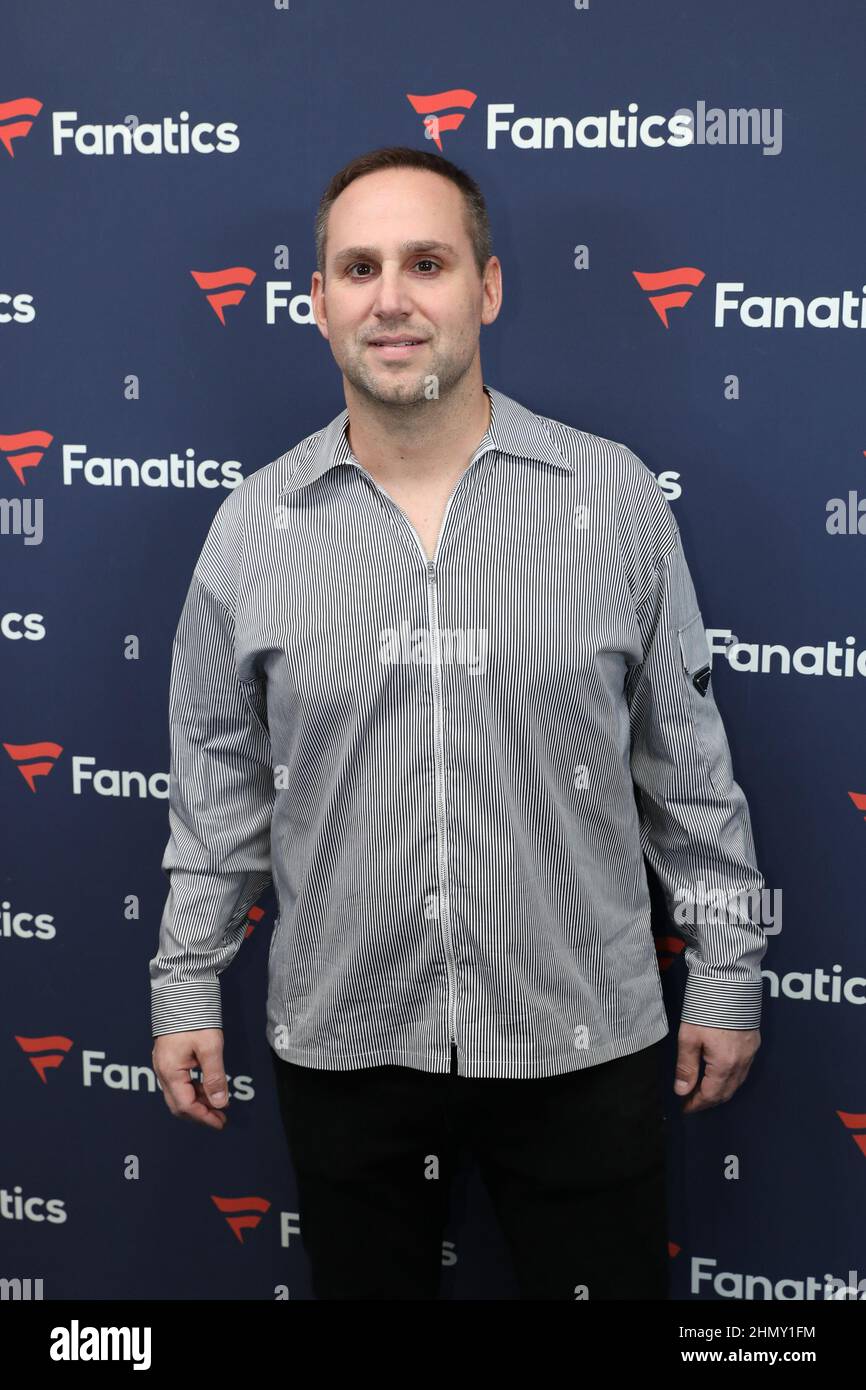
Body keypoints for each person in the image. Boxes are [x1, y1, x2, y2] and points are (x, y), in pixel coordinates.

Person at [149, 145, 766, 1300]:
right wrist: (186, 980)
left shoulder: (611, 501)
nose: (391, 297)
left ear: (483, 289)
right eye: (359, 267)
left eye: (426, 263)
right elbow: (219, 782)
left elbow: (684, 767)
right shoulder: (252, 530)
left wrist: (727, 969)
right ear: (317, 300)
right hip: (346, 1044)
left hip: (581, 1040)